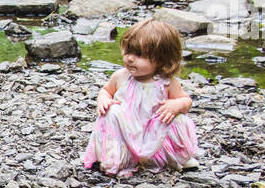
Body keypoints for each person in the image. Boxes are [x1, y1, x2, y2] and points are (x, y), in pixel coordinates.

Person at [82, 19, 198, 176]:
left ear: (161, 59)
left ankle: (177, 155)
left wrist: (176, 105)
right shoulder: (121, 77)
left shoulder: (165, 83)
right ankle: (116, 156)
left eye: (139, 55)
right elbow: (106, 90)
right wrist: (103, 99)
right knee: (111, 111)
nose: (130, 58)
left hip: (153, 134)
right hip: (126, 132)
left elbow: (186, 102)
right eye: (128, 51)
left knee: (177, 118)